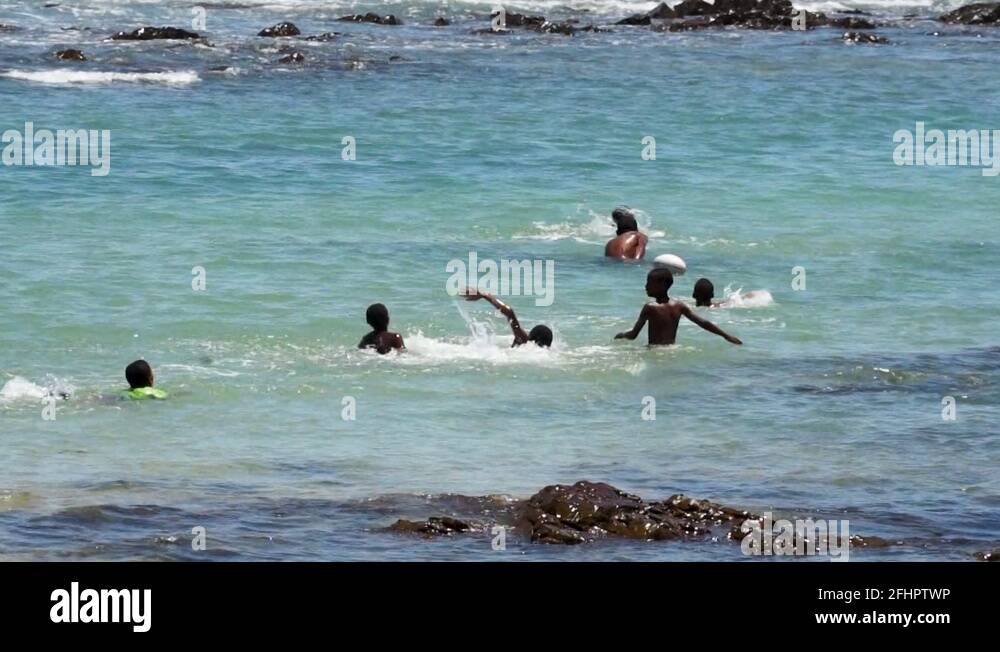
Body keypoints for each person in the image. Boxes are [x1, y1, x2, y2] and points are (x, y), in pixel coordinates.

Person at [615, 269, 742, 346]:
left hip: (654, 351)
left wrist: (620, 335)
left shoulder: (650, 307)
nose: (646, 286)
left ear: (662, 285)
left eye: (649, 283)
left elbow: (633, 335)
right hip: (671, 349)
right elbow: (703, 323)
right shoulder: (679, 306)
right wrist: (726, 335)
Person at [463, 289, 552, 347]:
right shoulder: (547, 355)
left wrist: (485, 295)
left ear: (531, 336)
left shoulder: (524, 341)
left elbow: (510, 313)